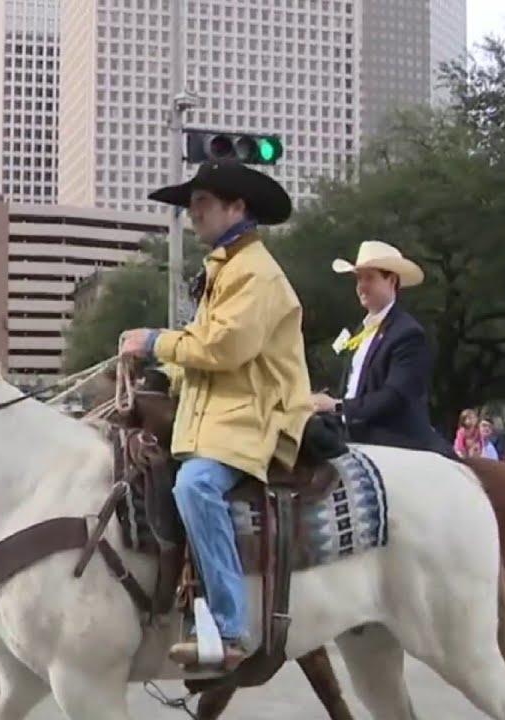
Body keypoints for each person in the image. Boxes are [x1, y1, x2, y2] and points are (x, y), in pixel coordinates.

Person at [118, 160, 313, 669]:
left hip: (254, 416)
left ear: (236, 207)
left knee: (194, 487)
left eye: (202, 203)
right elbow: (203, 359)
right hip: (216, 416)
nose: (194, 213)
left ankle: (230, 629)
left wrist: (157, 341)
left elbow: (224, 348)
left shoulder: (257, 272)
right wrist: (161, 377)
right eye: (193, 205)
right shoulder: (225, 267)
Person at [308, 240, 449, 455]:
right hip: (356, 436)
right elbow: (354, 387)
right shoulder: (361, 330)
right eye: (359, 279)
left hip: (395, 442)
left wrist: (337, 406)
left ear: (392, 280)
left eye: (369, 278)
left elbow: (394, 397)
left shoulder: (407, 333)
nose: (361, 286)